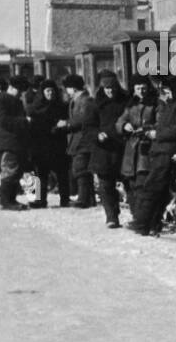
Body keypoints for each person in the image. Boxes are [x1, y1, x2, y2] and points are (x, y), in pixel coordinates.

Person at [131, 75, 176, 235]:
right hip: (161, 150)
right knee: (157, 189)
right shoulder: (171, 104)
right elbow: (167, 125)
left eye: (166, 90)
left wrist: (156, 134)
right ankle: (151, 223)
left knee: (152, 188)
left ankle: (142, 223)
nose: (164, 93)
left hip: (168, 150)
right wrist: (149, 129)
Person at [25, 79, 71, 208]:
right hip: (40, 145)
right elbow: (32, 127)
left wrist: (62, 125)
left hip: (57, 145)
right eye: (47, 91)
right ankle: (39, 200)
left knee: (62, 173)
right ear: (42, 92)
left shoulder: (62, 106)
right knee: (40, 173)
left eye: (52, 90)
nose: (50, 93)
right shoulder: (35, 108)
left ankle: (65, 199)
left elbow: (66, 123)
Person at [89, 73, 127, 228]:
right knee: (106, 185)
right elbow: (88, 127)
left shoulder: (125, 101)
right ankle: (111, 216)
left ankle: (138, 215)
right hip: (103, 150)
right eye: (107, 89)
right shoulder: (95, 104)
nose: (110, 91)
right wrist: (97, 134)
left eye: (112, 88)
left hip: (122, 148)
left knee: (130, 183)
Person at [117, 75, 156, 220]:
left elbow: (161, 122)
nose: (141, 91)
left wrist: (147, 128)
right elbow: (120, 121)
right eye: (138, 88)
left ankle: (142, 218)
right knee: (131, 185)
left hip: (146, 149)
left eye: (144, 88)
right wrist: (123, 126)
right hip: (131, 150)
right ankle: (136, 216)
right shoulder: (130, 104)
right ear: (133, 89)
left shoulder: (155, 103)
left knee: (142, 184)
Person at [0, 76, 32, 212]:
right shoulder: (1, 101)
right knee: (9, 171)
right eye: (20, 90)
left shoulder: (15, 101)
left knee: (16, 171)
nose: (21, 93)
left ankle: (11, 199)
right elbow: (3, 120)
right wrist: (24, 121)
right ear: (12, 88)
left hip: (16, 143)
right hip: (8, 142)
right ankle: (5, 201)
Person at [64, 74, 97, 208]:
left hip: (84, 140)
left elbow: (83, 120)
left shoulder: (85, 100)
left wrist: (66, 124)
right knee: (80, 168)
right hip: (78, 140)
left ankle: (84, 199)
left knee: (81, 169)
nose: (67, 91)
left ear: (72, 88)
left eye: (67, 88)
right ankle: (88, 198)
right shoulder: (78, 99)